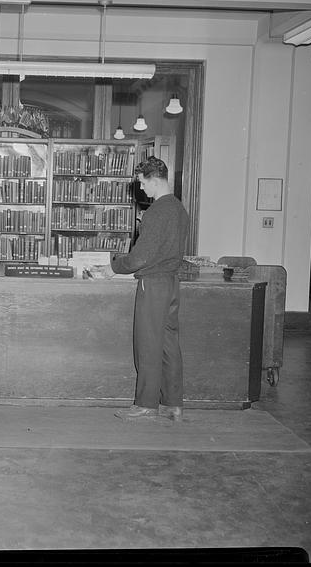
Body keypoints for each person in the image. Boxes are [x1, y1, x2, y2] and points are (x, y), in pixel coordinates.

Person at [95, 156, 190, 422]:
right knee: (169, 345)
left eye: (142, 182)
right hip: (171, 283)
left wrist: (114, 267)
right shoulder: (179, 209)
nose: (141, 188)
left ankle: (146, 405)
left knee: (148, 345)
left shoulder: (157, 211)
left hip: (153, 284)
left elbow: (140, 257)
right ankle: (173, 404)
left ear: (154, 179)